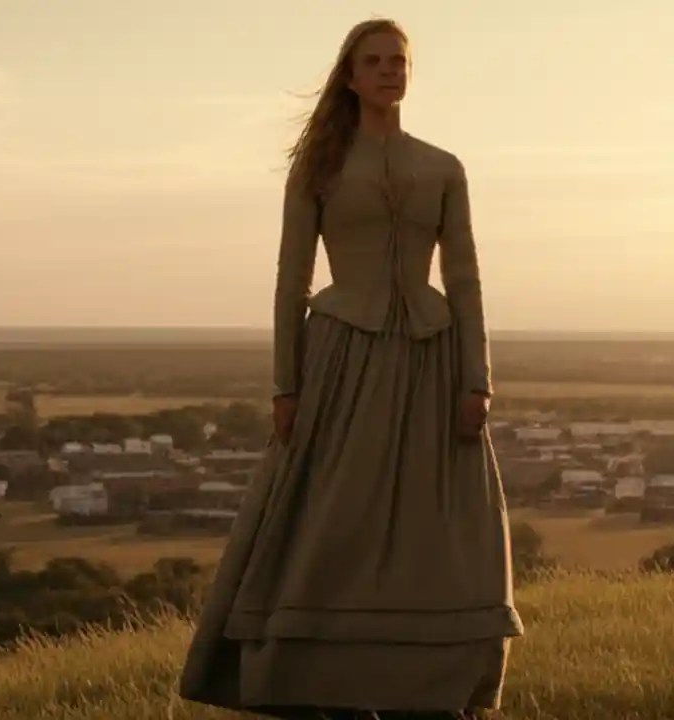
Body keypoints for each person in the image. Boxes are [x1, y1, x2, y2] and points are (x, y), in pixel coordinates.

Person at [177, 17, 525, 720]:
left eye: (398, 60)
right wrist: (286, 383)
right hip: (341, 361)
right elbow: (290, 281)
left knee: (437, 531)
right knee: (330, 526)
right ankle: (317, 683)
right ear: (351, 75)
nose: (390, 71)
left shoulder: (443, 167)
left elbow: (465, 282)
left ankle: (428, 691)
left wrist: (476, 378)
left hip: (429, 362)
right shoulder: (320, 168)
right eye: (375, 61)